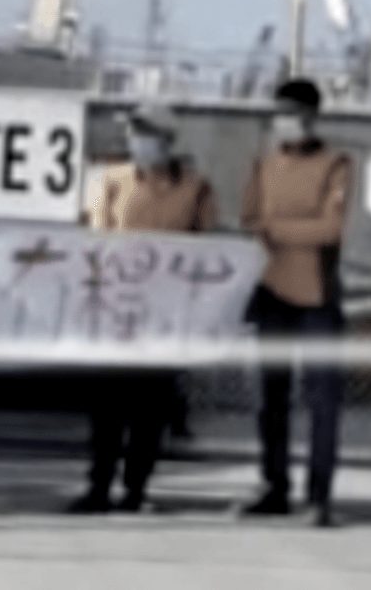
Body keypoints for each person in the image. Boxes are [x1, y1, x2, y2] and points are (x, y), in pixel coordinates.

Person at [68, 102, 218, 514]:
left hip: (165, 317)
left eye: (145, 133)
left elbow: (207, 246)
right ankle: (98, 486)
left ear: (167, 140)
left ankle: (137, 487)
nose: (138, 141)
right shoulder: (112, 181)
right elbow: (97, 236)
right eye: (134, 133)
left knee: (151, 406)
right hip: (117, 310)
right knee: (107, 405)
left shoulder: (195, 187)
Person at [239, 78, 353, 528]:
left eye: (295, 112)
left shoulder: (336, 164)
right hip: (271, 293)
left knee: (323, 400)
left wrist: (276, 228)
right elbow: (249, 223)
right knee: (271, 396)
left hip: (317, 295)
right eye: (280, 112)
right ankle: (274, 486)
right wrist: (284, 227)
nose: (286, 120)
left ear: (312, 115)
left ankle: (319, 495)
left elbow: (330, 229)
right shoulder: (263, 166)